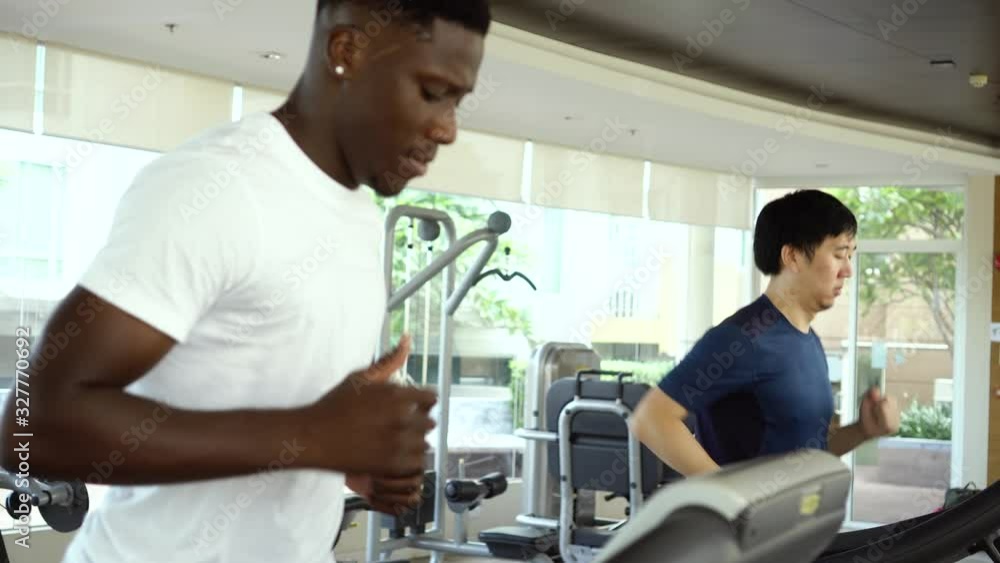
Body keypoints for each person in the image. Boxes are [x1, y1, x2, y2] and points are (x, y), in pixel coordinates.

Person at [0, 1, 492, 562]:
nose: (447, 128)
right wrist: (312, 437)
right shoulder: (218, 184)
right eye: (433, 92)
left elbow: (278, 415)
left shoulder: (356, 214)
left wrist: (352, 457)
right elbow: (35, 425)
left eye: (459, 100)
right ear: (348, 52)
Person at [632, 190, 900, 476]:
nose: (847, 270)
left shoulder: (810, 342)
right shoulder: (742, 338)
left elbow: (805, 453)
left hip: (798, 519)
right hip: (743, 522)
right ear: (793, 256)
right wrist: (729, 495)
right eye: (839, 254)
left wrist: (862, 431)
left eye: (850, 256)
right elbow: (651, 418)